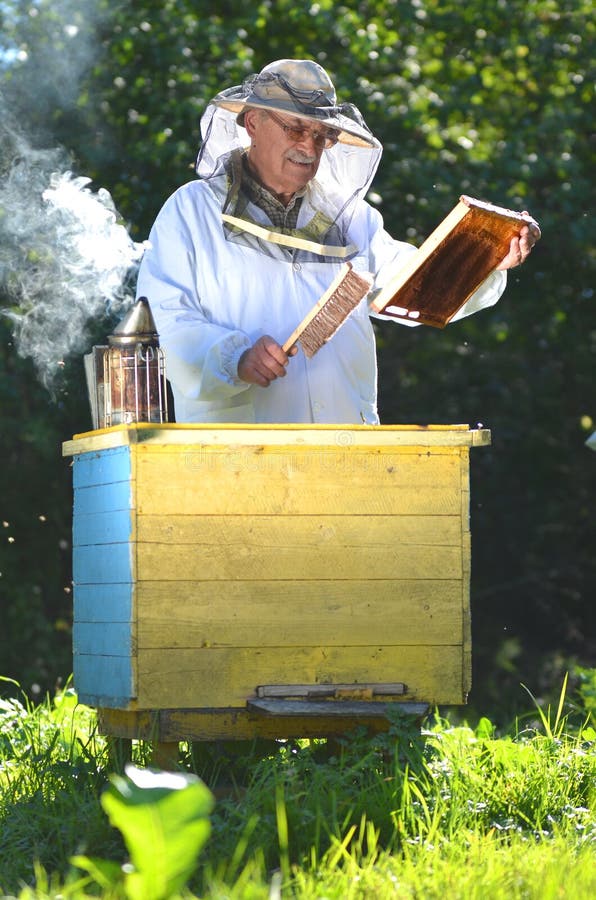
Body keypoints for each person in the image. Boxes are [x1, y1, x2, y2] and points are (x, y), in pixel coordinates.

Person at [136, 58, 540, 425]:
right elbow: (163, 321)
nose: (309, 147)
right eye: (296, 128)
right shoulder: (192, 211)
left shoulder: (350, 217)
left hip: (345, 445)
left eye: (322, 135)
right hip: (241, 453)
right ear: (253, 122)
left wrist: (485, 257)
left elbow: (413, 283)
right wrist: (234, 358)